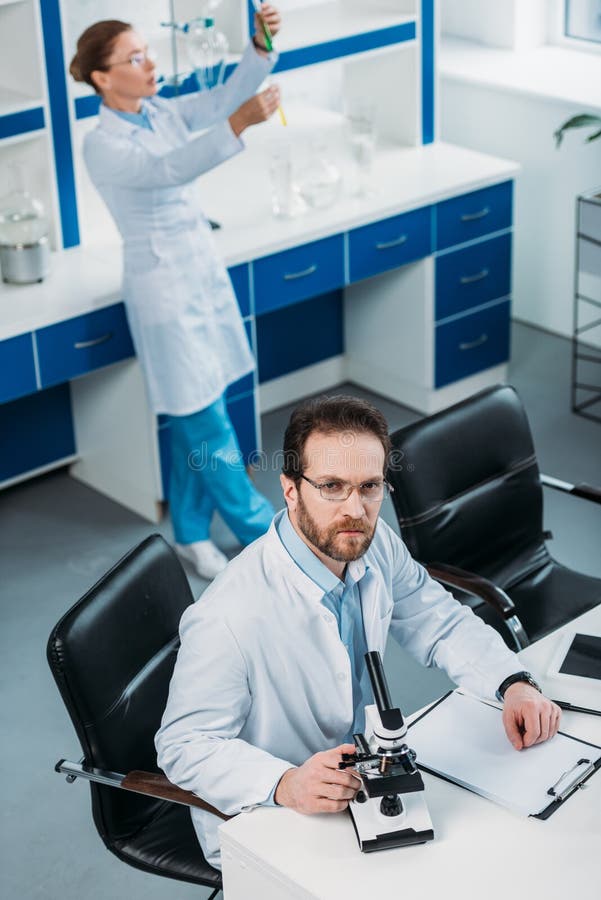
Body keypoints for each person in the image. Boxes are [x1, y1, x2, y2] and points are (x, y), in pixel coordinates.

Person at [155, 394, 561, 868]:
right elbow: (184, 746)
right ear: (290, 489)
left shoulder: (370, 543)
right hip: (275, 813)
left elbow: (439, 621)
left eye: (369, 486)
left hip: (364, 774)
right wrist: (285, 783)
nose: (355, 509)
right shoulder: (228, 615)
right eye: (331, 486)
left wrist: (512, 683)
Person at [70, 6, 282, 579]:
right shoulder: (102, 145)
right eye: (134, 58)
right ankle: (267, 536)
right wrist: (238, 124)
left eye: (148, 51)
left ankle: (189, 532)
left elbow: (218, 102)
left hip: (198, 274)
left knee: (201, 405)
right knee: (205, 420)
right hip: (162, 289)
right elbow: (168, 169)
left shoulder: (158, 109)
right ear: (101, 78)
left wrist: (259, 49)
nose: (149, 63)